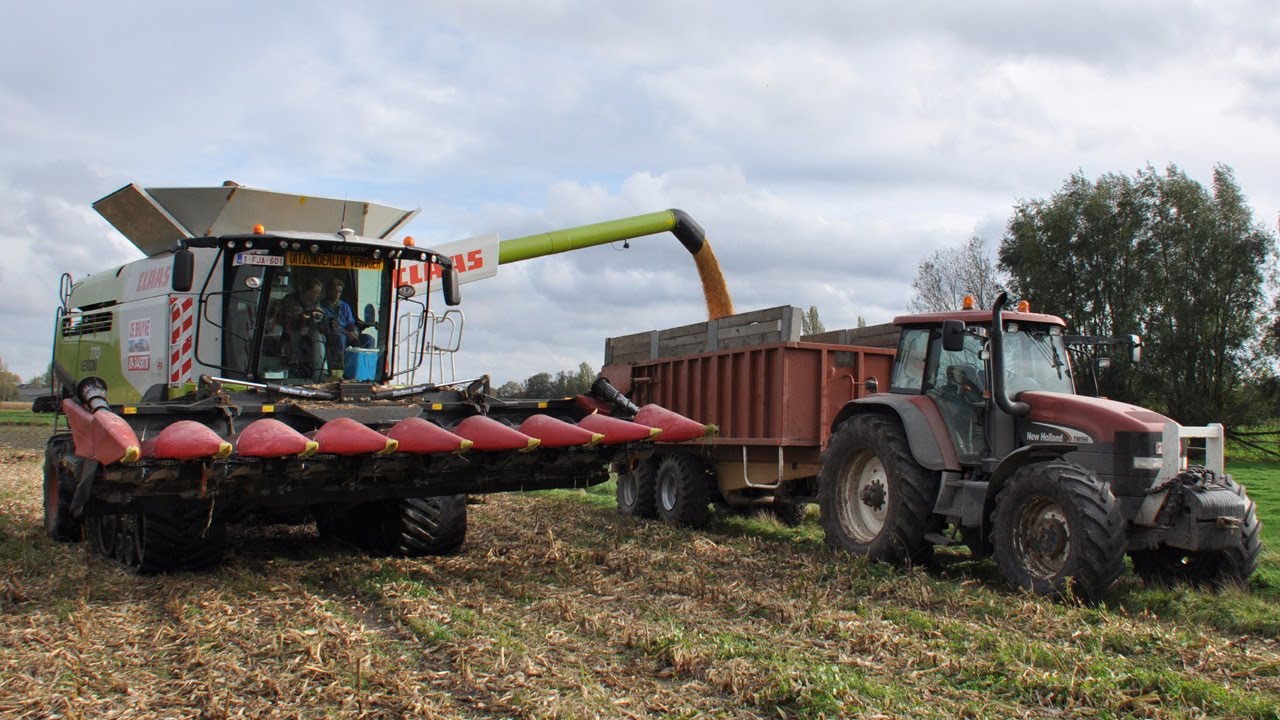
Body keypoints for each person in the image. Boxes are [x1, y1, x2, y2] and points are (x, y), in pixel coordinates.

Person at [319, 278, 373, 370]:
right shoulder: (321, 306)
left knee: (368, 339)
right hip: (331, 337)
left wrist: (354, 331)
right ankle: (338, 370)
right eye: (334, 291)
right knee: (340, 337)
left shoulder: (345, 306)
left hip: (348, 336)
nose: (337, 294)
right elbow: (328, 327)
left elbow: (351, 322)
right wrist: (346, 333)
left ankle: (365, 369)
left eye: (339, 292)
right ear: (328, 291)